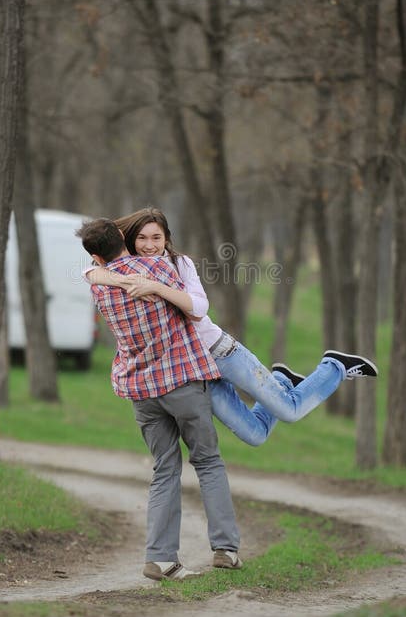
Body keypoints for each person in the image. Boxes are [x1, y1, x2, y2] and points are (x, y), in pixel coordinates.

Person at [84, 207, 378, 447]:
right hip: (192, 374)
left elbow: (199, 310)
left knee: (289, 411)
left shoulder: (178, 264)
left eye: (157, 237)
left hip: (220, 353)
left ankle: (333, 366)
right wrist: (123, 280)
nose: (150, 245)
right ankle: (282, 378)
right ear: (131, 240)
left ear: (166, 239)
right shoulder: (127, 268)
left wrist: (156, 288)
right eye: (143, 238)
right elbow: (89, 272)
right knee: (255, 435)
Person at [78, 217, 243, 582]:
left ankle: (161, 558)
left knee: (165, 468)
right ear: (124, 237)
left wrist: (107, 272)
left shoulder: (99, 286)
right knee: (208, 461)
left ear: (94, 255)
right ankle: (226, 550)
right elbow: (195, 307)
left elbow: (93, 272)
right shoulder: (156, 267)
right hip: (182, 381)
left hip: (141, 391)